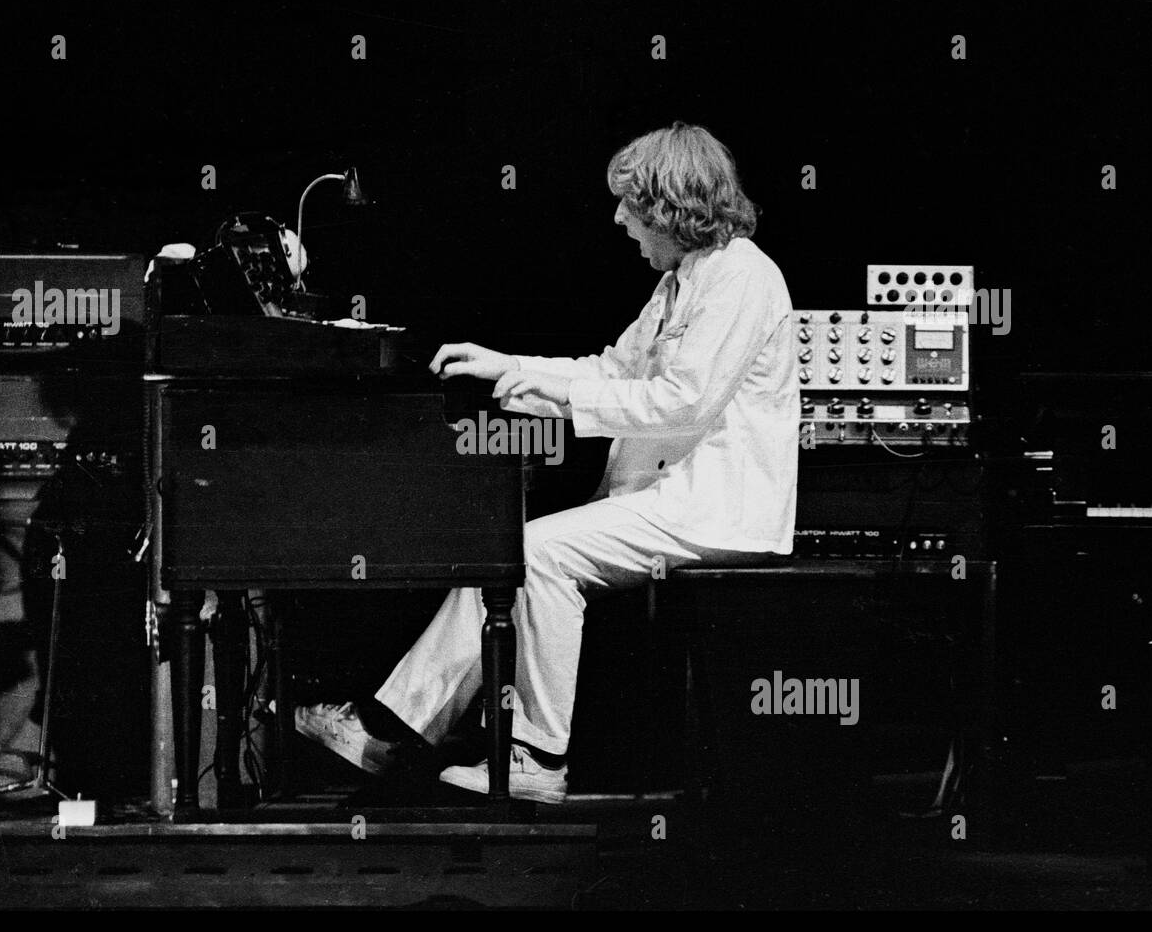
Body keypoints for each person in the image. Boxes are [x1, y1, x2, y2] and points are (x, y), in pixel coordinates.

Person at [295, 122, 798, 803]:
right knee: (503, 556)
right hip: (667, 501)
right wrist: (508, 366)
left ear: (671, 207)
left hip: (716, 509)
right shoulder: (683, 281)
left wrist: (555, 397)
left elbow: (681, 405)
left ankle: (538, 758)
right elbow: (610, 370)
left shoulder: (741, 277)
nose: (620, 219)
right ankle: (398, 734)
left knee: (539, 553)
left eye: (632, 205)